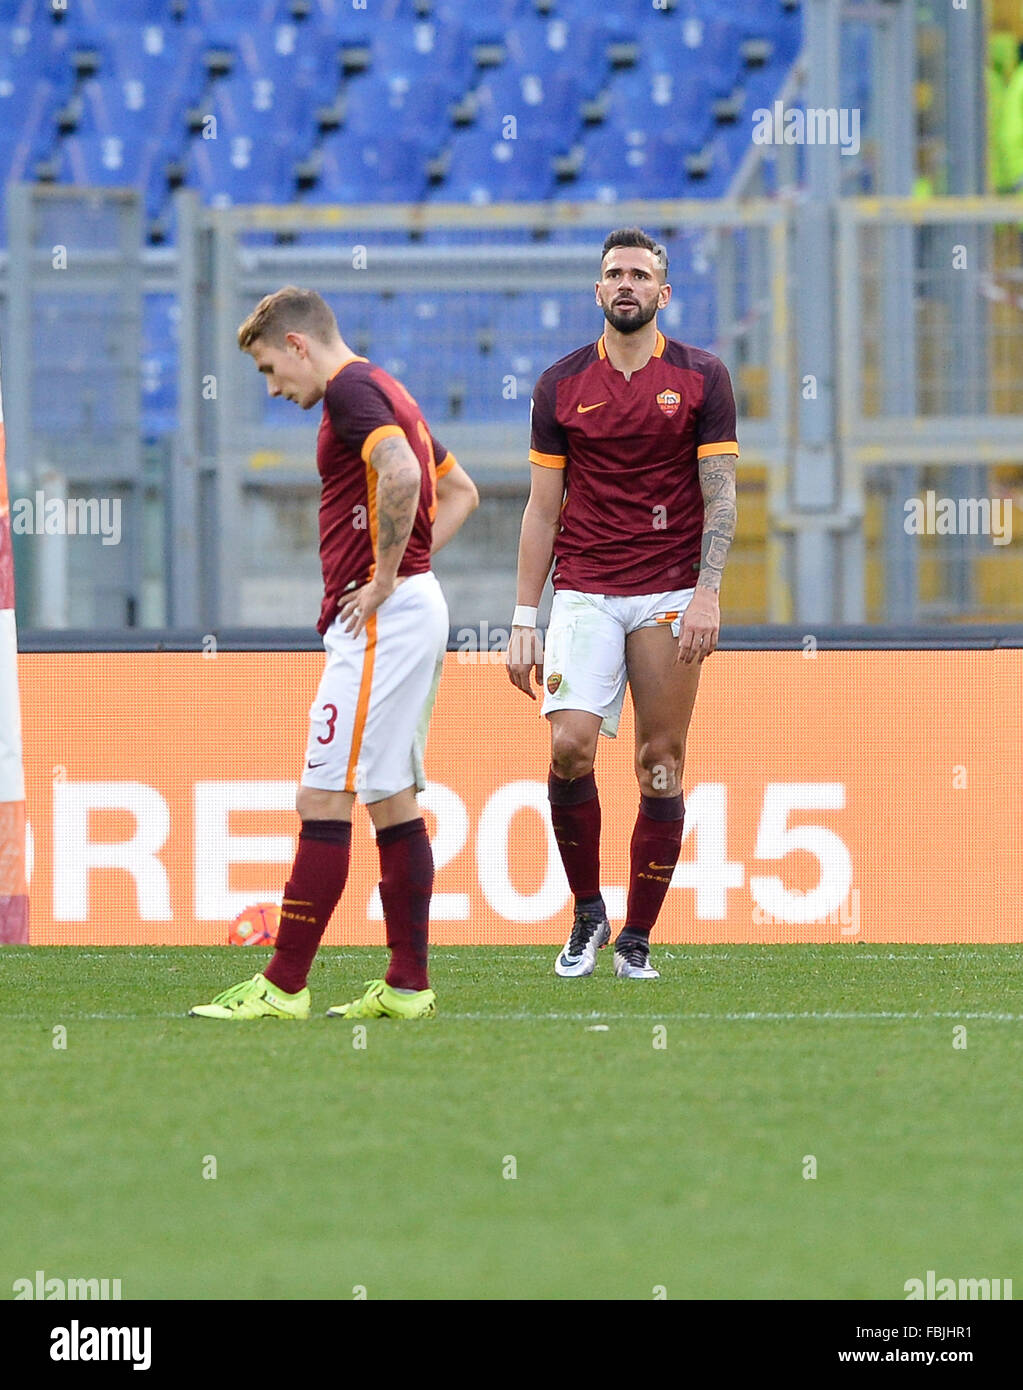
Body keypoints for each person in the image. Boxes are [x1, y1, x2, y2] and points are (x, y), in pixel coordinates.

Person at [191, 286, 478, 1020]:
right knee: (389, 798)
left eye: (266, 368)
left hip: (383, 621)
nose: (273, 388)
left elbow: (411, 478)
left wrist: (384, 578)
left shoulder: (350, 394)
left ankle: (283, 986)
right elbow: (462, 492)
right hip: (408, 610)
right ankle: (408, 987)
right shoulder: (385, 386)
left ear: (296, 345)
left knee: (322, 795)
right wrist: (408, 568)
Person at [506, 228, 738, 980]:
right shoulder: (560, 385)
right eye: (614, 274)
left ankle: (636, 937)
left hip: (671, 590)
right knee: (569, 745)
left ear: (663, 294)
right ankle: (586, 913)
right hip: (584, 591)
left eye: (640, 273)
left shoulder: (702, 379)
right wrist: (521, 618)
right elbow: (541, 511)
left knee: (659, 764)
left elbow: (720, 496)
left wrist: (707, 592)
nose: (627, 283)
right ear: (597, 292)